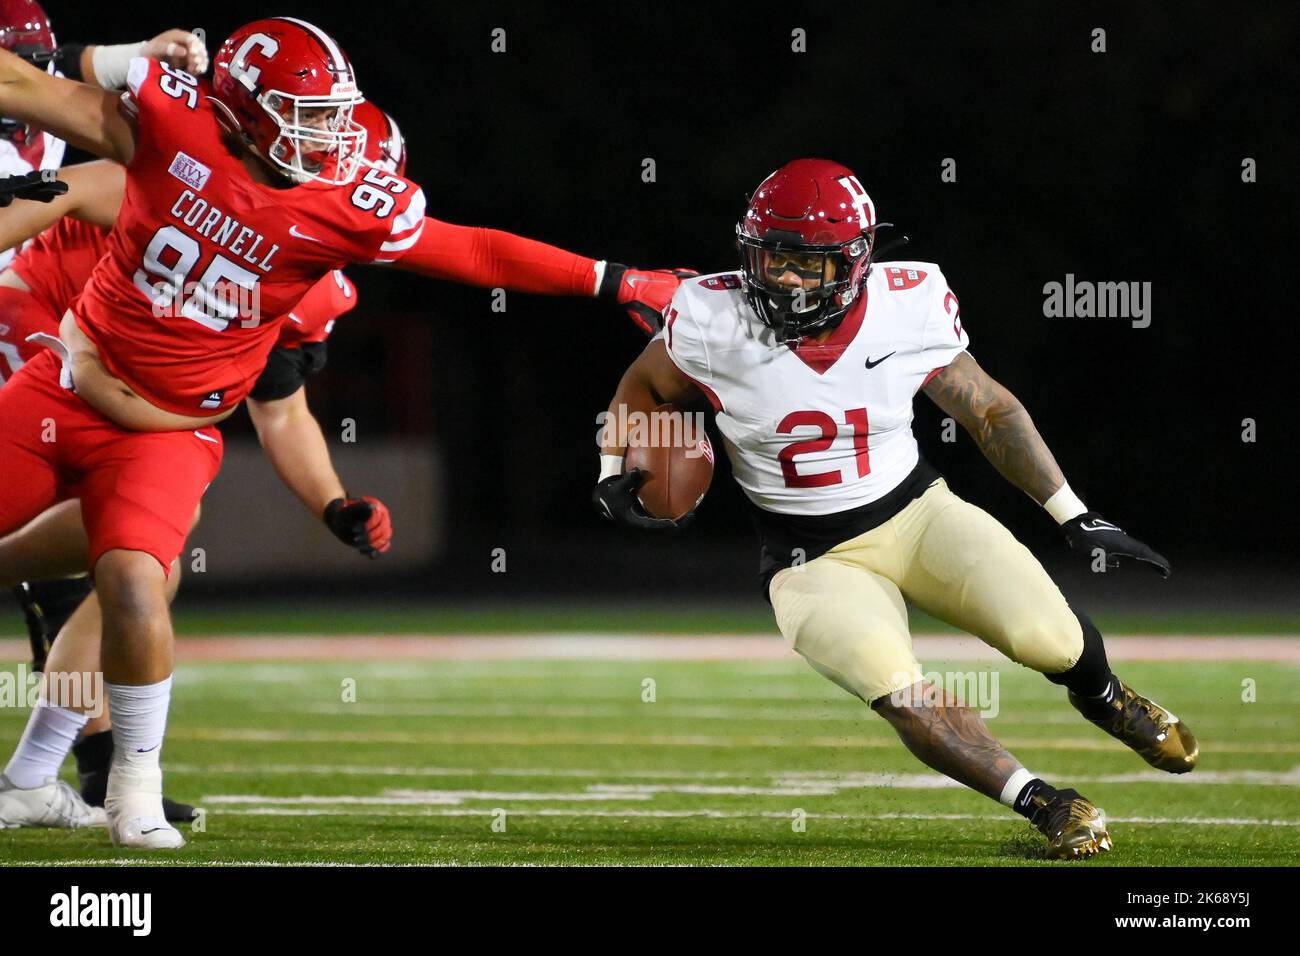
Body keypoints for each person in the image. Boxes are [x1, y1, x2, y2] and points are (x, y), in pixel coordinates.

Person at [0, 16, 688, 849]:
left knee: (141, 581)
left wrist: (615, 280)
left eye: (337, 117)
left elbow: (476, 254)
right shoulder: (170, 127)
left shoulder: (338, 223)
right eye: (311, 114)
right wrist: (108, 60)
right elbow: (37, 112)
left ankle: (126, 788)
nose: (332, 140)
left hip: (165, 431)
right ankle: (43, 769)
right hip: (62, 379)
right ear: (248, 109)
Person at [594, 158, 1197, 859]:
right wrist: (615, 463)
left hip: (918, 516)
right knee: (898, 687)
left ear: (855, 260)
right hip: (807, 558)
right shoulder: (709, 314)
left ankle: (1109, 700)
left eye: (806, 262)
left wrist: (1072, 513)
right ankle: (1048, 805)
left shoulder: (909, 301)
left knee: (1049, 638)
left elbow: (988, 411)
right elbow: (644, 383)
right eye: (772, 257)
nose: (785, 279)